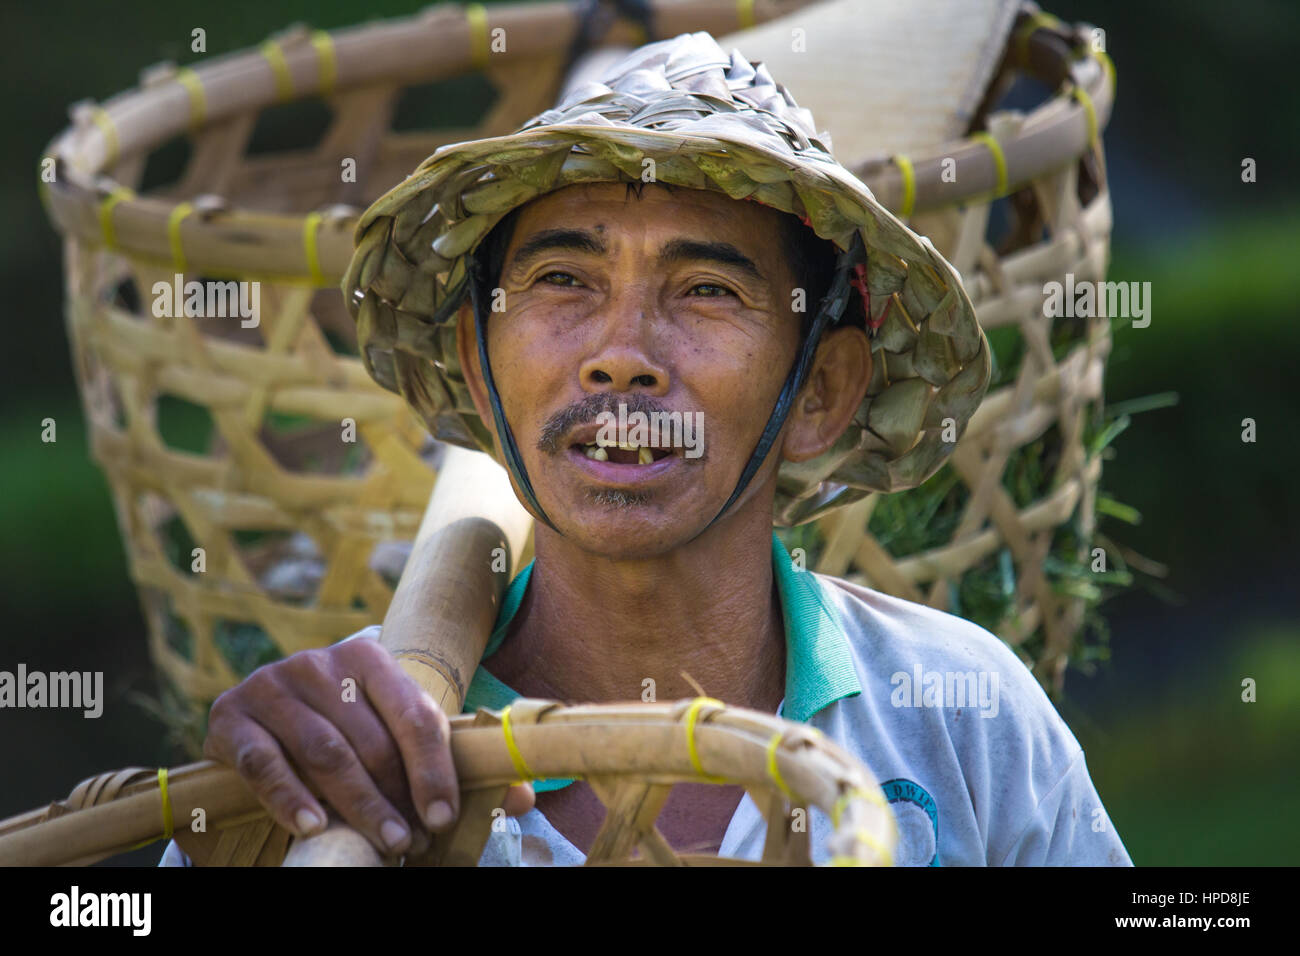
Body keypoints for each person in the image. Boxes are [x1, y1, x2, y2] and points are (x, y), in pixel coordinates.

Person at [162, 32, 1131, 866]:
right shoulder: (346, 745)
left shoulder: (959, 717)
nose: (619, 357)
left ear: (822, 392)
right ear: (476, 361)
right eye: (562, 280)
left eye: (706, 290)